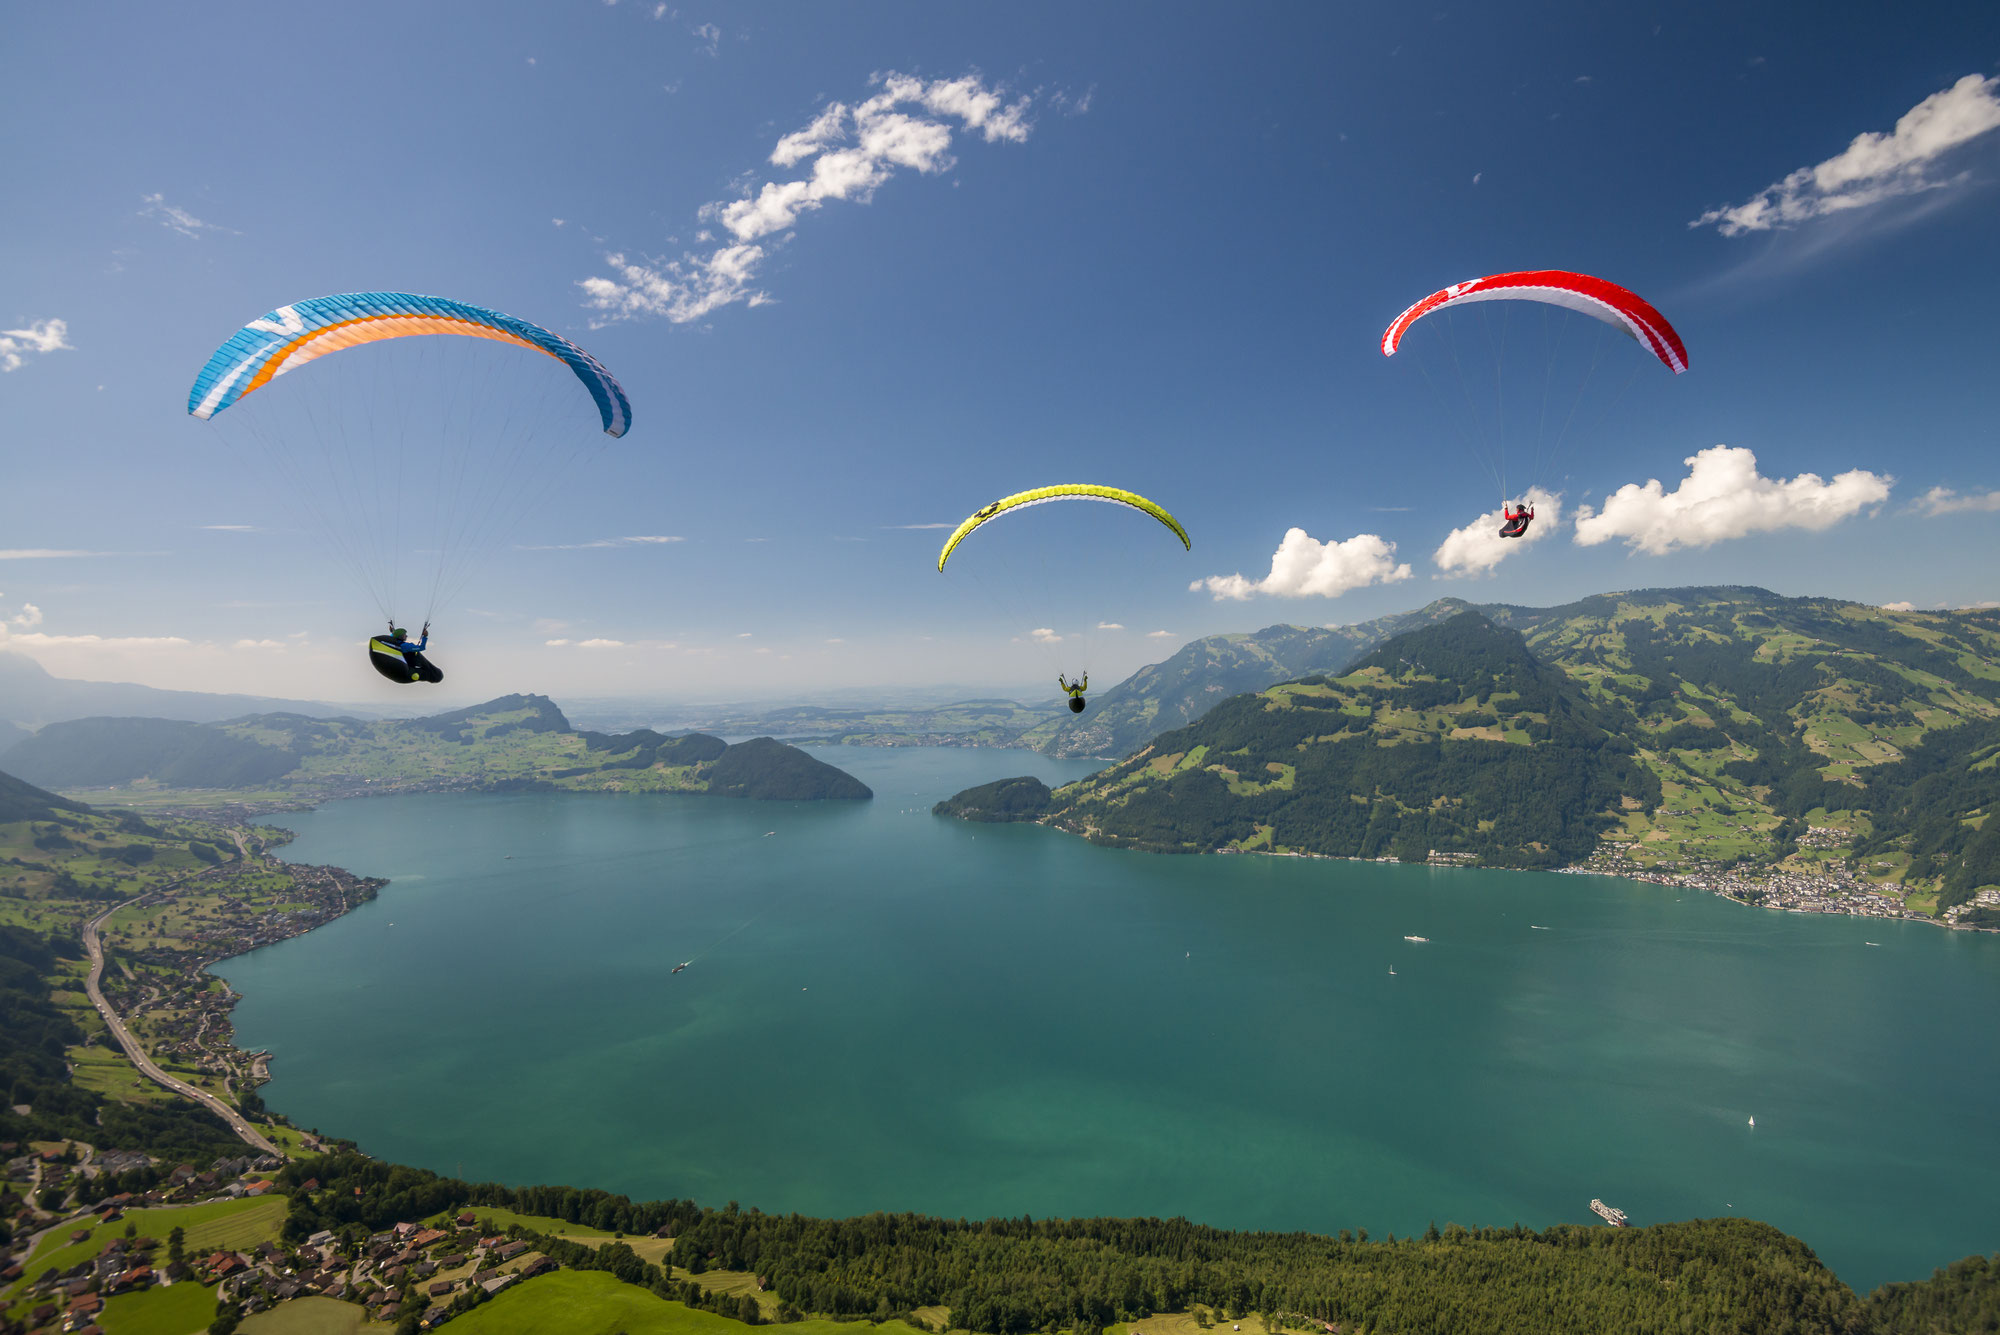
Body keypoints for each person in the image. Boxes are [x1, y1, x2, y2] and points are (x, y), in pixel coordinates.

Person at [375, 621, 443, 684]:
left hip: (404, 666)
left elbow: (394, 636)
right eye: (405, 635)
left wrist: (393, 631)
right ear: (401, 636)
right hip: (411, 668)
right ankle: (436, 675)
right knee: (431, 673)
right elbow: (421, 647)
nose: (406, 636)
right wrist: (425, 636)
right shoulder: (406, 646)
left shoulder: (395, 642)